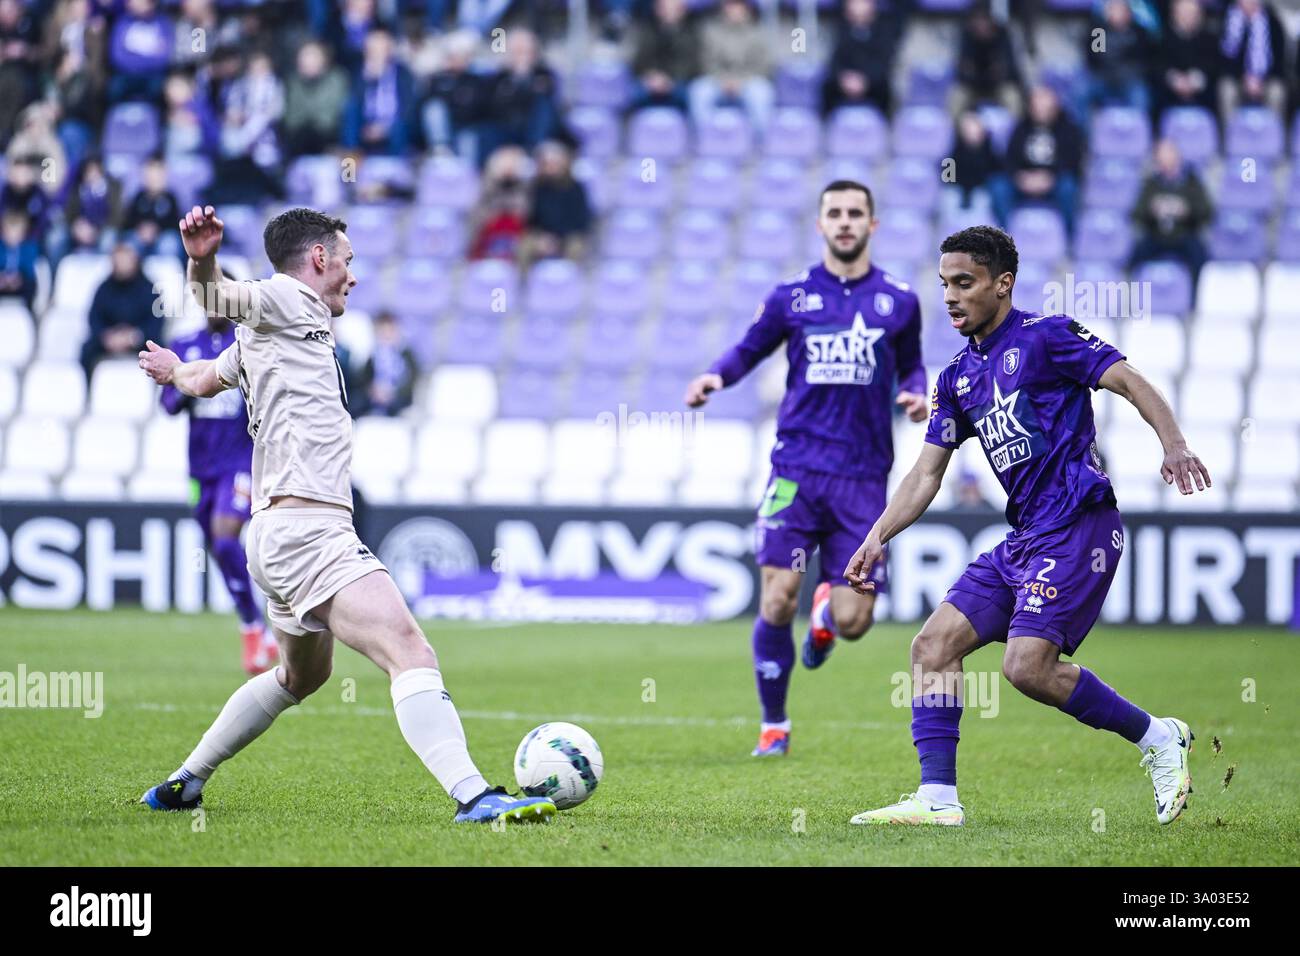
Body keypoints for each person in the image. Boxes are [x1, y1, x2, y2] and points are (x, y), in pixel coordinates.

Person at [136, 205, 555, 824]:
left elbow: (204, 378)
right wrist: (201, 258)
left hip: (277, 533)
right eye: (348, 261)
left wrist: (175, 371)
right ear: (319, 260)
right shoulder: (283, 298)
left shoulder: (274, 334)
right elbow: (216, 296)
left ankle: (183, 782)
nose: (353, 277)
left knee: (298, 679)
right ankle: (473, 795)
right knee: (410, 649)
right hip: (308, 533)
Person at [844, 225, 1211, 827]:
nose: (951, 296)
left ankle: (1158, 737)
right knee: (932, 646)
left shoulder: (1048, 337)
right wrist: (876, 535)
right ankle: (937, 799)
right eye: (944, 284)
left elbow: (1128, 379)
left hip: (1079, 525)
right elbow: (925, 474)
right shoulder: (958, 377)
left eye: (965, 282)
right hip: (1024, 539)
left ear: (1003, 284)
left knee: (1026, 668)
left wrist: (1173, 444)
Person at [684, 180, 927, 758]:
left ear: (872, 224)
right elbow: (748, 349)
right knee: (774, 598)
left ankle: (826, 609)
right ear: (820, 225)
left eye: (855, 213)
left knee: (854, 620)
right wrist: (716, 377)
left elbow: (913, 367)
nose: (844, 222)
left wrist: (918, 395)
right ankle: (774, 724)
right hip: (795, 469)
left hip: (864, 480)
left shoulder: (900, 300)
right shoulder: (790, 297)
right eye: (834, 213)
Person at [161, 298, 278, 675]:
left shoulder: (247, 343)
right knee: (217, 546)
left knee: (226, 538)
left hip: (239, 463)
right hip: (201, 469)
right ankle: (259, 623)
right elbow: (167, 404)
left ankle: (251, 628)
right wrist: (186, 383)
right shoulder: (184, 344)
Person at [1127, 139, 1211, 286]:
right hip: (1156, 235)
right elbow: (1136, 213)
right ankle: (1132, 296)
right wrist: (1152, 210)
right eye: (1160, 157)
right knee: (1136, 256)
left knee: (1199, 257)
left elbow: (1207, 212)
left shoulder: (1192, 182)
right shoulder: (1151, 184)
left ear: (1176, 156)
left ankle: (1194, 299)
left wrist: (1186, 211)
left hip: (1184, 234)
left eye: (1167, 156)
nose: (1163, 161)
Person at [80, 240, 162, 381]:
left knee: (161, 353)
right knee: (86, 350)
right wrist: (106, 337)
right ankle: (87, 391)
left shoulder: (149, 288)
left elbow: (156, 321)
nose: (121, 264)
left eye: (125, 259)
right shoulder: (104, 288)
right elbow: (94, 318)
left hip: (140, 339)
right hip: (109, 339)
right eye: (118, 259)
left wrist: (135, 336)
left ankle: (159, 395)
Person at [689, 0, 774, 133]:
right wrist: (723, 80)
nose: (734, 11)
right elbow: (706, 61)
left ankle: (759, 140)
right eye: (730, 6)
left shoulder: (757, 33)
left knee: (762, 92)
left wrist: (740, 81)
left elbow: (763, 65)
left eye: (738, 7)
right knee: (699, 90)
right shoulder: (711, 31)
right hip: (718, 80)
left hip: (748, 81)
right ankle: (705, 136)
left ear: (746, 10)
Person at [820, 0, 900, 118]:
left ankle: (884, 126)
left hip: (872, 83)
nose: (858, 6)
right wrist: (844, 79)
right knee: (827, 85)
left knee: (885, 87)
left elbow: (884, 63)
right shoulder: (841, 31)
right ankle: (827, 127)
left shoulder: (884, 31)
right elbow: (835, 62)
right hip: (845, 82)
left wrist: (865, 81)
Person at [627, 0, 699, 115]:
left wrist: (669, 82)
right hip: (651, 80)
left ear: (682, 11)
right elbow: (638, 62)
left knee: (695, 93)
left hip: (679, 81)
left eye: (673, 8)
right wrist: (651, 76)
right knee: (632, 92)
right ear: (657, 10)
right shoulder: (647, 30)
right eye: (664, 8)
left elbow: (692, 64)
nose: (668, 12)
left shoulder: (692, 33)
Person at [351, 311, 417, 417]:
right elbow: (364, 378)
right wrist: (373, 391)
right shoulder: (373, 353)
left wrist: (393, 393)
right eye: (383, 332)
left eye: (390, 331)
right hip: (374, 396)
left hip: (398, 397)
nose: (386, 335)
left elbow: (412, 380)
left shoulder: (406, 354)